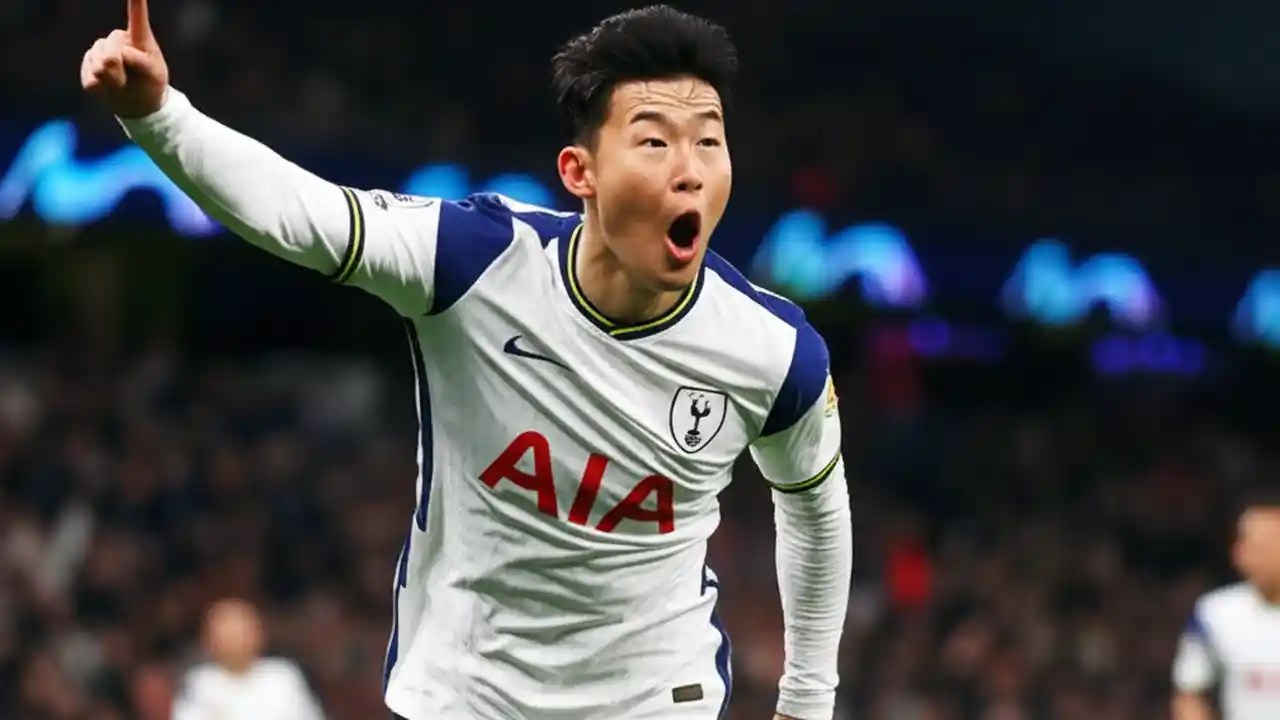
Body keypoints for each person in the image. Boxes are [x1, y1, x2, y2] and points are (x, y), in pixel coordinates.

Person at [80, 3, 854, 718]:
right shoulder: (475, 264)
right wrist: (158, 118)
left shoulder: (774, 352)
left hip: (655, 698)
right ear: (579, 172)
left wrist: (807, 701)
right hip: (465, 691)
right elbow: (300, 213)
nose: (689, 167)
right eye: (653, 140)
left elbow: (817, 513)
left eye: (708, 141)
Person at [1172, 489, 1280, 720]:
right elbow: (1189, 694)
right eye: (1251, 544)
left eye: (1269, 544)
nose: (1258, 555)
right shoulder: (1214, 613)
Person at [172, 598, 326, 720]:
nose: (235, 641)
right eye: (227, 634)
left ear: (259, 634)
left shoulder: (283, 676)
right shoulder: (200, 683)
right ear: (208, 641)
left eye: (241, 632)